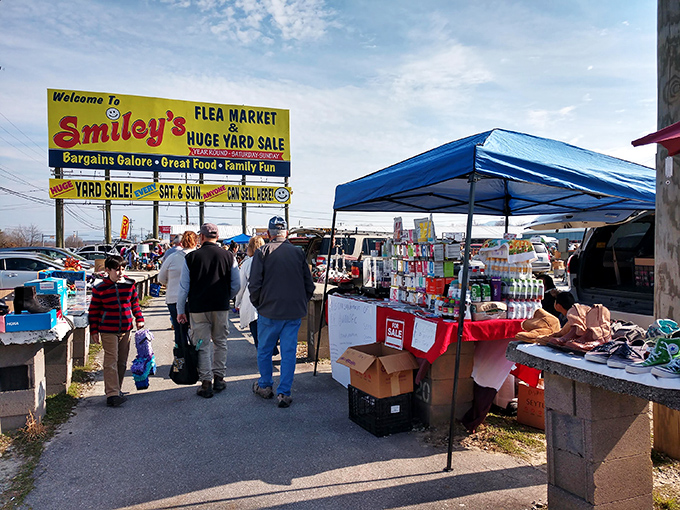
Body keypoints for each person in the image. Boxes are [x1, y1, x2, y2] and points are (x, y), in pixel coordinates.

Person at [249, 216, 315, 408]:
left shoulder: (262, 252)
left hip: (269, 311)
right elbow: (308, 284)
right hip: (293, 311)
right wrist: (301, 301)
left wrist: (259, 304)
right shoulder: (298, 253)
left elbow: (254, 285)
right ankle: (284, 392)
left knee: (265, 350)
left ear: (269, 233)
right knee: (288, 353)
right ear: (286, 233)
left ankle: (265, 385)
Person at [176, 223, 240, 398]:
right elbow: (237, 284)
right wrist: (226, 296)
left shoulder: (191, 258)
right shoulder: (229, 256)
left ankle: (206, 383)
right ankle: (219, 378)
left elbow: (183, 288)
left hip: (198, 307)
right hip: (220, 306)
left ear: (201, 237)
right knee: (221, 342)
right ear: (217, 237)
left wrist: (180, 310)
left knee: (202, 345)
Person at [88, 255, 145, 407]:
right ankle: (112, 394)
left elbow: (135, 304)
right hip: (108, 329)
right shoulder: (100, 288)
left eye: (123, 269)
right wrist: (94, 331)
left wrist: (139, 318)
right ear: (107, 270)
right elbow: (93, 311)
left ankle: (117, 389)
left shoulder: (129, 284)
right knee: (111, 360)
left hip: (125, 329)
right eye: (117, 270)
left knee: (121, 362)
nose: (120, 273)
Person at [158, 230, 198, 349]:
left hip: (174, 298)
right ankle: (197, 360)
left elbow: (161, 278)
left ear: (181, 243)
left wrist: (170, 283)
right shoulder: (199, 257)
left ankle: (181, 360)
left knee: (179, 332)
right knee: (197, 331)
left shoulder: (172, 257)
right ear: (196, 242)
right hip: (194, 299)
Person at [234, 236, 265, 348]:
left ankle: (261, 352)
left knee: (255, 327)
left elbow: (241, 285)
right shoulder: (269, 260)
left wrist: (237, 302)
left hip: (252, 299)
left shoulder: (247, 263)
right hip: (268, 300)